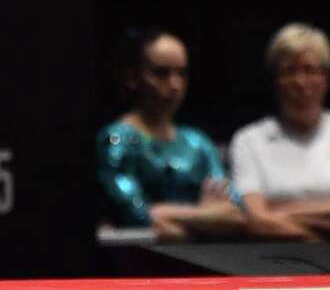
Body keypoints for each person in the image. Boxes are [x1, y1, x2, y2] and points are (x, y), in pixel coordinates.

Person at [229, 23, 330, 252]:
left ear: (326, 77)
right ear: (275, 79)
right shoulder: (248, 140)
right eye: (289, 71)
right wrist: (323, 237)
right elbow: (256, 220)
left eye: (310, 70)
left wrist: (279, 210)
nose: (300, 82)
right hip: (276, 272)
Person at [97, 28, 245, 240]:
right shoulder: (117, 140)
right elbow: (135, 215)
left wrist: (167, 215)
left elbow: (236, 214)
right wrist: (208, 218)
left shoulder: (197, 142)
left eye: (181, 73)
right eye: (161, 73)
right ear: (132, 77)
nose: (175, 85)